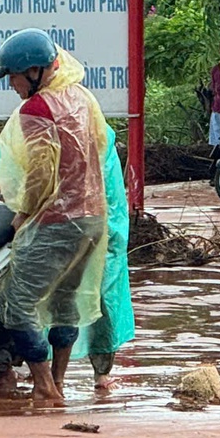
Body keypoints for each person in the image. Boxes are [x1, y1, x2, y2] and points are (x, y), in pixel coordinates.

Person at [0, 28, 109, 409]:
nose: (11, 84)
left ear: (36, 71)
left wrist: (23, 215)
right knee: (64, 300)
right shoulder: (80, 98)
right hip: (91, 218)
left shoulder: (37, 109)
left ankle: (42, 386)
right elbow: (101, 150)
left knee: (16, 303)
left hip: (56, 220)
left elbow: (42, 171)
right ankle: (58, 383)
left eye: (14, 76)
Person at [70, 124, 134, 398]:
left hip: (99, 225)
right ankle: (47, 377)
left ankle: (100, 372)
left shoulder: (96, 130)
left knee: (103, 295)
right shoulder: (32, 120)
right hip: (74, 222)